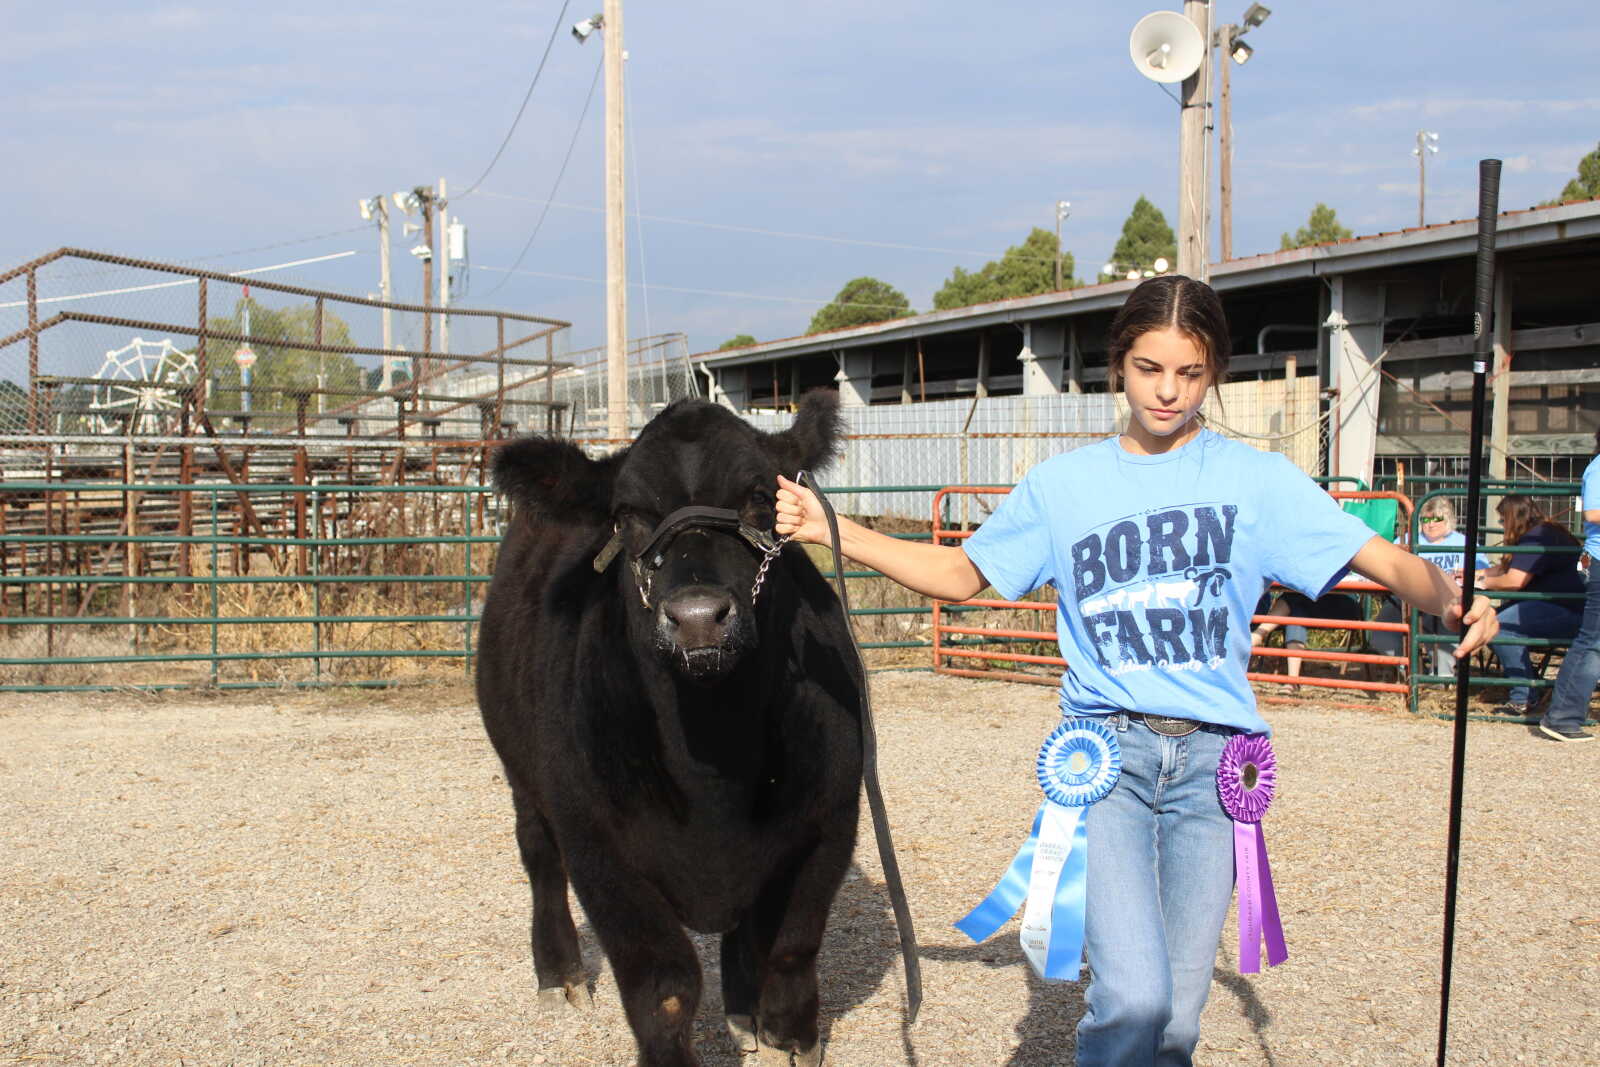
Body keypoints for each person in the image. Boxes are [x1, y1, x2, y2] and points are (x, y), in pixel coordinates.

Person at [774, 275, 1499, 1067]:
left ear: (1214, 371)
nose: (1169, 390)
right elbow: (960, 574)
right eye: (1151, 367)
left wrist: (1455, 602)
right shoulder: (1065, 486)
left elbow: (1385, 559)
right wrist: (830, 527)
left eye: (1190, 373)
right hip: (1106, 761)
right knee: (1133, 1002)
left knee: (1178, 1024)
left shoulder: (1254, 480)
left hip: (1218, 770)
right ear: (1120, 362)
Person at [1479, 494, 1585, 715]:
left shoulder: (1536, 537)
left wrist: (1482, 581)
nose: (1501, 525)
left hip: (1563, 608)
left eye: (1502, 520)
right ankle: (1531, 685)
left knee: (1498, 628)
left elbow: (1514, 581)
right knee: (1485, 623)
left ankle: (1524, 696)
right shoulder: (1544, 531)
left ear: (1512, 518)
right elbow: (1506, 569)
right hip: (1560, 605)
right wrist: (1474, 574)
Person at [1368, 495, 1481, 677]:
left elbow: (1481, 573)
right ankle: (1407, 669)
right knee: (1382, 632)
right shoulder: (1405, 540)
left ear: (1448, 520)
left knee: (1446, 624)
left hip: (1446, 601)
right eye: (1426, 519)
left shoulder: (1464, 543)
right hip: (1404, 600)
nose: (1431, 524)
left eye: (1437, 518)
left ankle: (1440, 677)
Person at [1539, 428, 1600, 742]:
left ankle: (1565, 713)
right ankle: (1562, 716)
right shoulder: (1599, 467)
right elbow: (1592, 512)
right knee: (1593, 641)